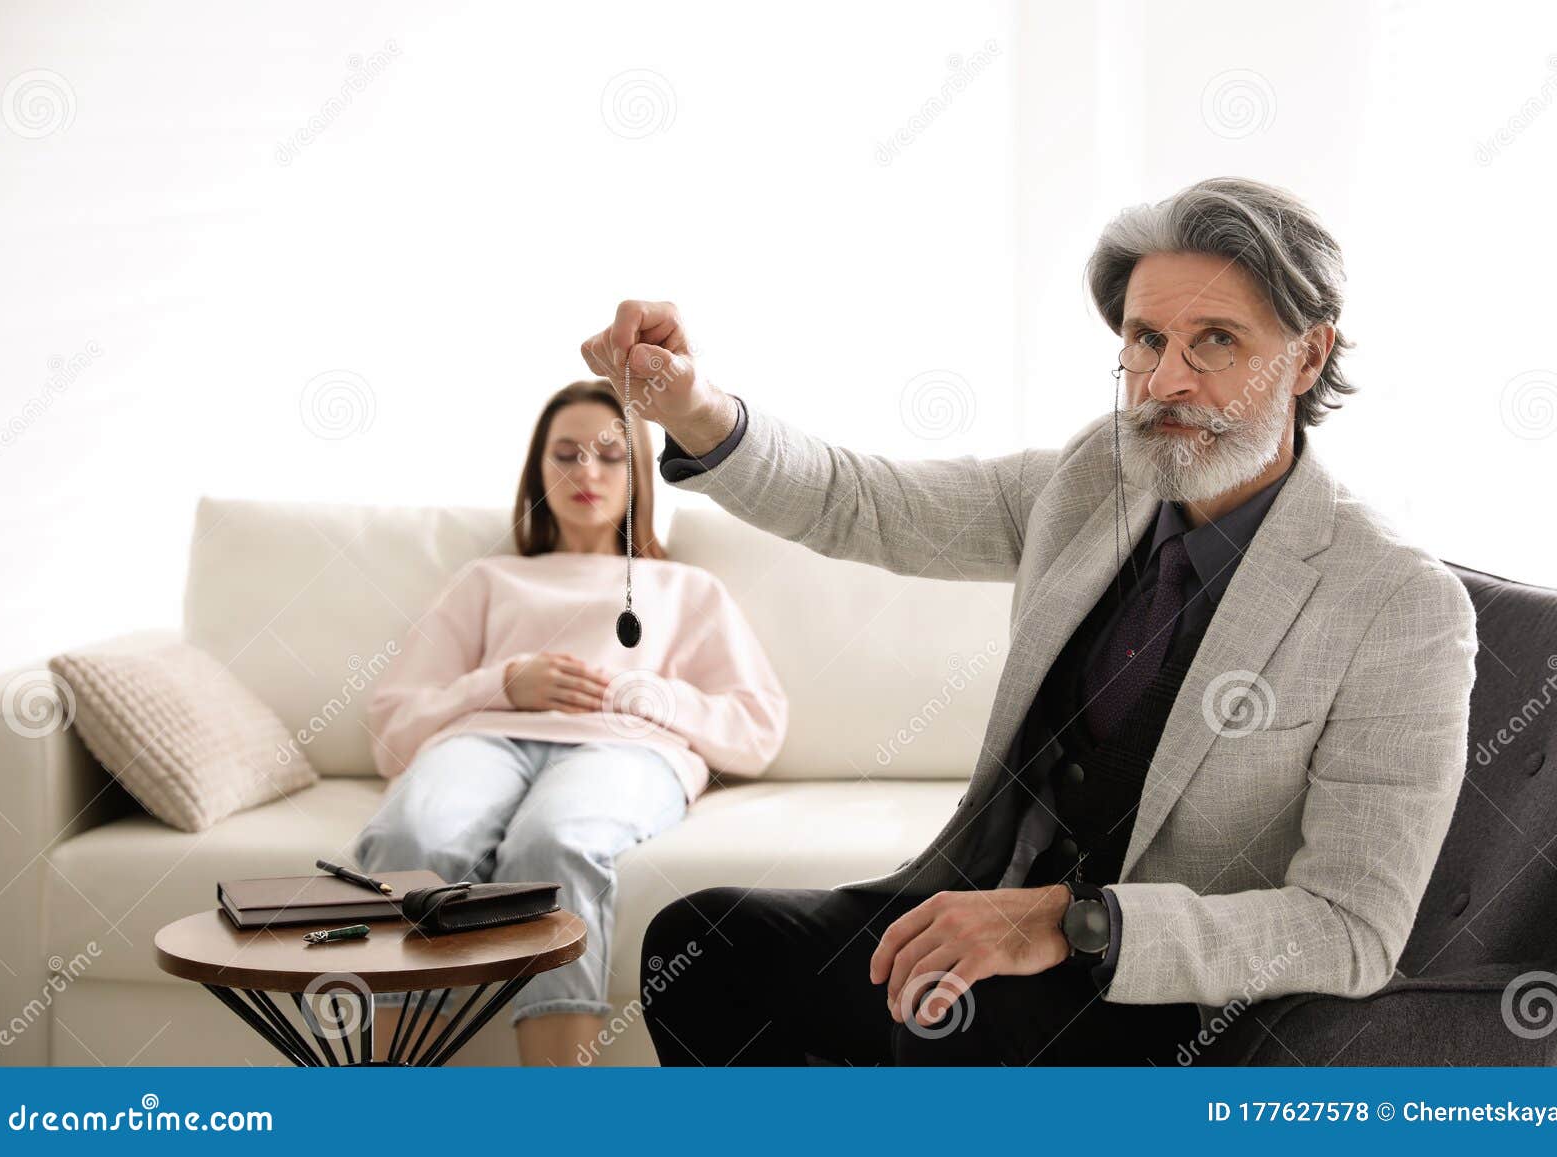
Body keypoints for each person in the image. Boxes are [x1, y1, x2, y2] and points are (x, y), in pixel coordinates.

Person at [578, 176, 1479, 1065]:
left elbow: (1349, 926)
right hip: (983, 912)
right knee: (698, 950)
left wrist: (1076, 922)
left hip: (1170, 1001)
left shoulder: (1399, 606)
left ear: (1309, 357)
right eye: (1145, 339)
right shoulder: (1098, 473)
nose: (1164, 380)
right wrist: (693, 410)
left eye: (1215, 342)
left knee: (938, 1027)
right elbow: (868, 504)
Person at [349, 378, 789, 1066]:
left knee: (553, 842)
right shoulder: (486, 580)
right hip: (484, 739)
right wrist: (502, 681)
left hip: (623, 751)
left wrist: (639, 693)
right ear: (538, 471)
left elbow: (756, 729)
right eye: (566, 454)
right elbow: (391, 728)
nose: (587, 471)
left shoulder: (687, 589)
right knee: (413, 837)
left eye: (610, 455)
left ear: (639, 472)